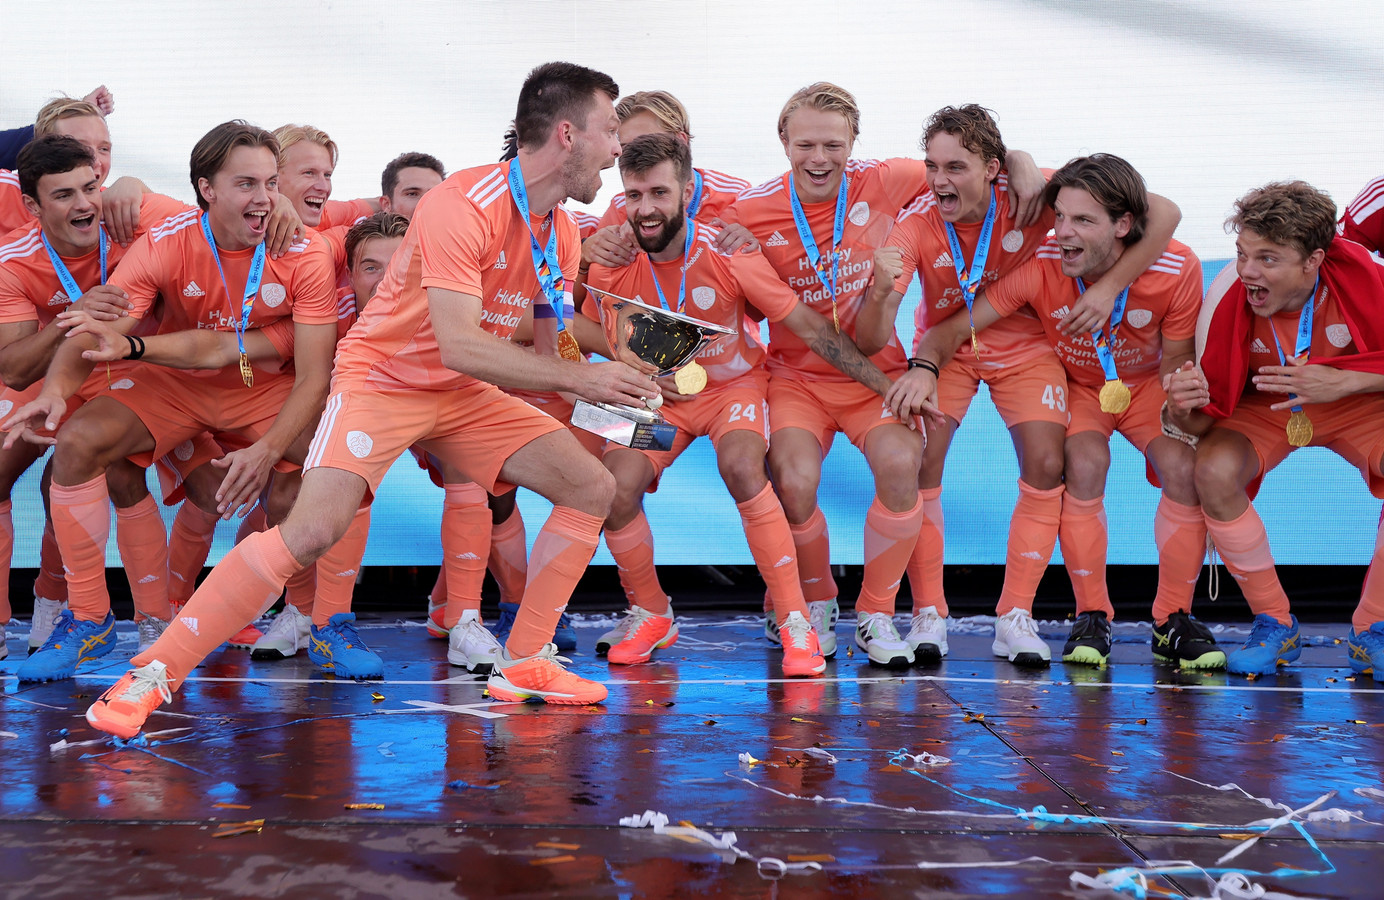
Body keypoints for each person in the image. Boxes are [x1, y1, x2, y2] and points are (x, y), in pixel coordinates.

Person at [83, 61, 656, 738]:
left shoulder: (557, 228)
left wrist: (622, 386)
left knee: (590, 486)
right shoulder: (463, 203)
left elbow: (544, 350)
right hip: (384, 381)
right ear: (567, 134)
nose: (618, 148)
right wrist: (582, 381)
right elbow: (459, 344)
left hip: (462, 392)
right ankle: (152, 670)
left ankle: (526, 661)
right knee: (310, 530)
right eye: (610, 128)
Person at [4, 121, 339, 683]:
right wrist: (57, 393)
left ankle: (318, 619)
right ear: (207, 189)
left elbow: (313, 376)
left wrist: (267, 451)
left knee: (318, 468)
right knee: (80, 442)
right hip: (174, 381)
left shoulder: (306, 252)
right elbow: (97, 328)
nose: (263, 200)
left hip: (262, 385)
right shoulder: (166, 236)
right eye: (245, 185)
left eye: (269, 184)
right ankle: (92, 620)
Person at [722, 86, 1036, 667]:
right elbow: (687, 229)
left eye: (833, 145)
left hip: (877, 369)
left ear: (853, 144)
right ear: (783, 142)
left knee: (902, 466)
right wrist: (727, 238)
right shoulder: (749, 211)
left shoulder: (891, 178)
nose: (820, 158)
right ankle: (814, 604)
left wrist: (1020, 163)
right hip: (798, 379)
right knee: (792, 480)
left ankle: (875, 612)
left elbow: (973, 167)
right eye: (806, 144)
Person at [860, 106, 1181, 666]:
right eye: (932, 165)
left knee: (1046, 463)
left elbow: (1165, 211)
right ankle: (929, 612)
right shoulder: (915, 224)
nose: (939, 180)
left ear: (991, 169)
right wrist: (911, 346)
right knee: (919, 462)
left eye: (955, 166)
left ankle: (1015, 616)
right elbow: (891, 333)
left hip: (1028, 348)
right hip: (949, 348)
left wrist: (1107, 288)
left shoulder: (1036, 194)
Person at [588, 132, 899, 675]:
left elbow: (803, 325)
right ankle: (651, 611)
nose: (646, 209)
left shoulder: (728, 251)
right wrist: (630, 373)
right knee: (614, 487)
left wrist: (882, 383)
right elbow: (601, 333)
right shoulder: (612, 257)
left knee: (741, 464)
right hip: (661, 399)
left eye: (659, 193)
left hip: (734, 390)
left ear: (687, 190)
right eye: (633, 195)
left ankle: (795, 620)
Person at [1165, 181, 1384, 679]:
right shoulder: (1225, 297)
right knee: (1214, 470)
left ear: (1314, 260)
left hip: (1355, 402)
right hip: (1266, 408)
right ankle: (1275, 623)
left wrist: (1344, 380)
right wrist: (1181, 409)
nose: (1246, 271)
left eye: (1267, 258)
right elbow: (1204, 415)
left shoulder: (1368, 279)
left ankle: (1375, 630)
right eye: (1242, 253)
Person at [0, 135, 206, 663]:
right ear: (32, 206)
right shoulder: (14, 262)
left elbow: (219, 215)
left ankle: (151, 616)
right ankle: (52, 614)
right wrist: (74, 310)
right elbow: (13, 365)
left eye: (91, 187)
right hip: (61, 373)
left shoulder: (134, 210)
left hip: (144, 366)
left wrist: (280, 210)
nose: (85, 204)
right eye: (64, 195)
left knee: (207, 488)